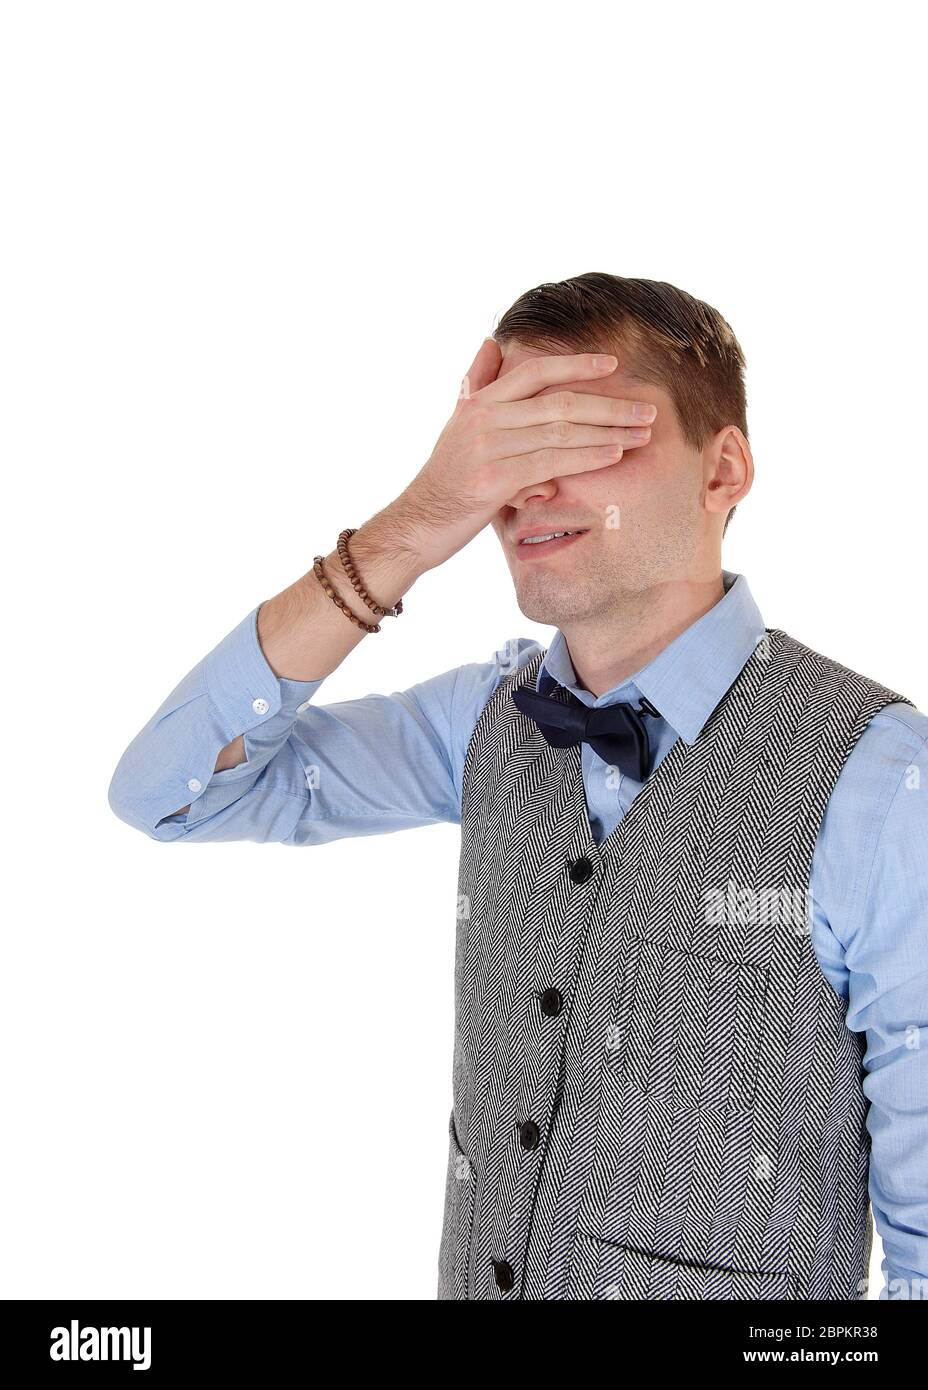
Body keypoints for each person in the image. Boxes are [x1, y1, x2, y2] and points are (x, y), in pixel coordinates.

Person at [109, 272, 928, 1301]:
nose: (528, 490)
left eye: (579, 440)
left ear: (721, 470)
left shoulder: (884, 780)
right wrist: (414, 522)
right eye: (504, 452)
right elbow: (172, 793)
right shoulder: (482, 719)